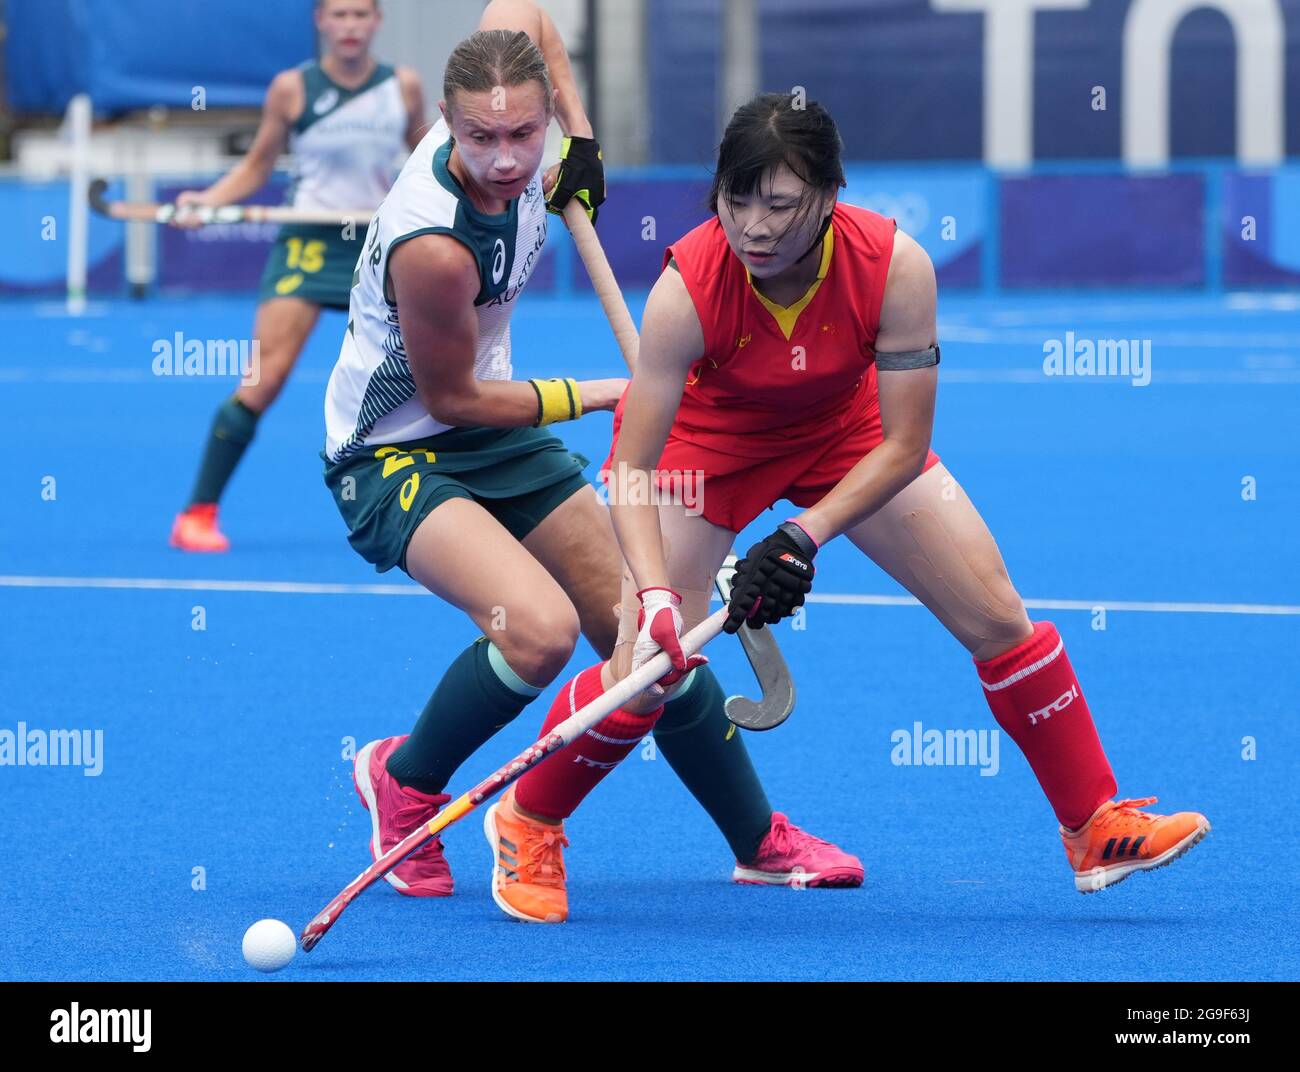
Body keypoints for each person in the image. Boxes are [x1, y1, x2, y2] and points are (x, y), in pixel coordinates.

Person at [497, 92, 1210, 922]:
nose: (754, 227)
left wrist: (801, 535)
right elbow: (631, 468)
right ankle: (530, 819)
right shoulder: (686, 292)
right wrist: (655, 595)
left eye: (781, 204)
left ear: (831, 197)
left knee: (996, 614)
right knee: (646, 674)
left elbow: (904, 446)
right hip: (703, 448)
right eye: (736, 199)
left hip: (848, 432)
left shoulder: (896, 266)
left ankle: (1092, 827)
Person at [323, 5, 861, 920]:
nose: (505, 158)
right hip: (393, 451)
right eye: (483, 137)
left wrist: (580, 135)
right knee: (532, 631)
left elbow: (522, 11)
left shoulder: (538, 138)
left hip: (493, 431)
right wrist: (609, 393)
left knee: (648, 624)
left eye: (523, 133)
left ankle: (757, 841)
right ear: (446, 125)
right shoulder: (434, 246)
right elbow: (451, 400)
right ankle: (403, 777)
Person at [171, 0, 425, 552]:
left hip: (377, 245)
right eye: (340, 15)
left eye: (361, 15)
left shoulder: (402, 86)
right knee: (263, 379)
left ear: (376, 22)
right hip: (308, 244)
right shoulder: (292, 88)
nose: (350, 26)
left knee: (430, 379)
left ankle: (446, 505)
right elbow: (258, 166)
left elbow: (422, 161)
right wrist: (206, 201)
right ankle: (197, 512)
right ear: (321, 22)